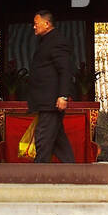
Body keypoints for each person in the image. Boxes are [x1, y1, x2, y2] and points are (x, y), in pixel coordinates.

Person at [26, 9, 74, 163]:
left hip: (51, 101)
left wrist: (63, 95)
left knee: (42, 137)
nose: (34, 27)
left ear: (46, 24)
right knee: (59, 143)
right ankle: (73, 171)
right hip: (46, 101)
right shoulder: (45, 41)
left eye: (36, 23)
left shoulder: (57, 41)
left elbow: (65, 70)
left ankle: (39, 175)